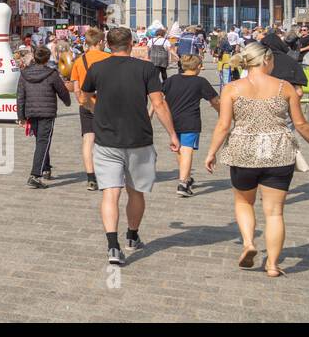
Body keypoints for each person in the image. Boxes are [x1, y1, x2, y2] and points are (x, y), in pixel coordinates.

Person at [205, 42, 309, 277]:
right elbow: (301, 124)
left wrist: (211, 152)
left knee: (244, 202)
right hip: (278, 151)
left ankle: (248, 243)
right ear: (265, 60)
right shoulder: (284, 87)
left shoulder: (232, 88)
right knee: (274, 212)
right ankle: (273, 265)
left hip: (243, 151)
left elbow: (224, 125)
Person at [81, 27, 180, 266]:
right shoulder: (145, 69)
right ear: (131, 43)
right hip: (139, 139)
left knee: (110, 193)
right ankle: (132, 235)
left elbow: (83, 97)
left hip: (106, 140)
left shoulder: (97, 68)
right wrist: (173, 134)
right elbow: (158, 103)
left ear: (108, 44)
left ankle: (112, 246)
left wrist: (97, 111)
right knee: (136, 192)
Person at [160, 54, 221, 197]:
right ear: (198, 67)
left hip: (172, 121)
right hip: (190, 121)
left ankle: (186, 177)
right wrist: (222, 113)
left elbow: (160, 98)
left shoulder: (171, 80)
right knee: (187, 151)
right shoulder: (200, 82)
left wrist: (151, 112)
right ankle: (182, 183)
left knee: (179, 150)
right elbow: (215, 101)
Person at [17, 46, 71, 187]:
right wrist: (67, 101)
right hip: (47, 113)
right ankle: (35, 175)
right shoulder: (51, 74)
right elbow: (62, 91)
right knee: (43, 141)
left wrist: (21, 116)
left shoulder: (24, 74)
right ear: (47, 59)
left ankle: (46, 168)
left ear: (35, 57)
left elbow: (20, 96)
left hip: (31, 112)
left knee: (41, 141)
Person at [70, 26, 111, 191]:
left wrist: (82, 102)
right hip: (107, 104)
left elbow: (76, 87)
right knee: (108, 140)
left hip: (86, 104)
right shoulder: (109, 58)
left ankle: (91, 177)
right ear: (101, 42)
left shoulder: (79, 61)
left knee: (88, 140)